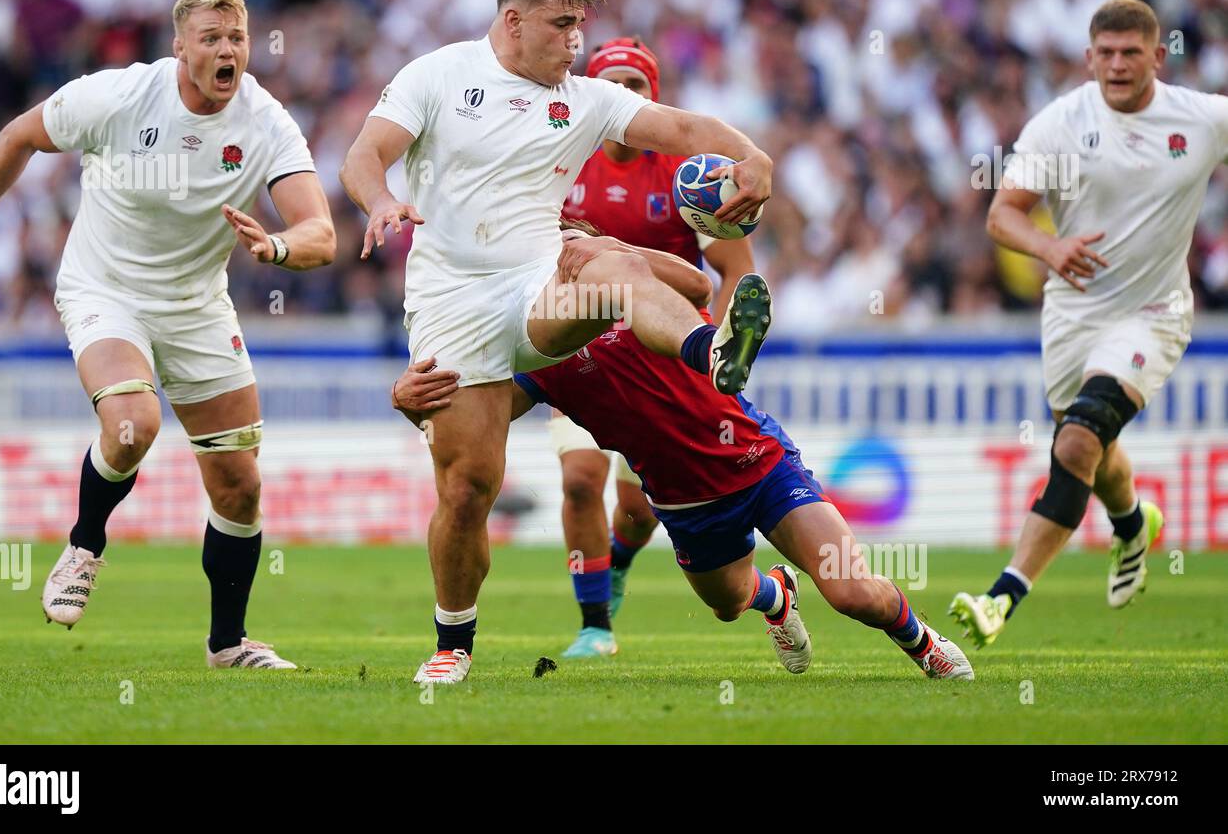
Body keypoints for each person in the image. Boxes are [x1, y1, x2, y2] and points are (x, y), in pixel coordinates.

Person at [339, 0, 774, 684]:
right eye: (561, 25)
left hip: (538, 284)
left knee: (611, 262)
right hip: (450, 305)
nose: (575, 41)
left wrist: (754, 159)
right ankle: (453, 643)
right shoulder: (439, 75)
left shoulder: (584, 99)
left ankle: (710, 352)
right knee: (468, 486)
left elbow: (683, 129)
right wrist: (380, 201)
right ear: (512, 21)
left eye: (580, 25)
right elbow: (364, 155)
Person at [0, 0, 336, 669]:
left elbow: (321, 234)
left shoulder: (266, 123)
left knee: (239, 482)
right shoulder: (120, 96)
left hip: (196, 305)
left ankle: (228, 645)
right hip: (106, 288)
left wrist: (275, 246)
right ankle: (86, 542)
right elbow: (20, 135)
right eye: (210, 38)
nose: (226, 50)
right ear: (179, 48)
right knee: (134, 424)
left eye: (236, 38)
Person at [392, 223, 973, 681]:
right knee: (728, 602)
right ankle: (775, 596)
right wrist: (409, 399)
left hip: (759, 462)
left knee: (849, 590)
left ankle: (925, 644)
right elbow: (477, 418)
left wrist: (611, 246)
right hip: (686, 503)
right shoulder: (535, 354)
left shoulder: (632, 288)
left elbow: (700, 287)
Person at [950, 0, 1228, 648]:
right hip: (1073, 315)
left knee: (1076, 442)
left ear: (1157, 57)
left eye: (1132, 52)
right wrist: (1050, 248)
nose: (1117, 64)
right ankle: (1133, 525)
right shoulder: (1059, 124)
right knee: (1091, 451)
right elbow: (1002, 215)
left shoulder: (1202, 119)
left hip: (1152, 314)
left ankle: (1000, 599)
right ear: (1088, 57)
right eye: (1105, 53)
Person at [552, 37, 756, 658]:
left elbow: (734, 270)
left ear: (653, 96)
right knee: (582, 480)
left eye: (636, 86)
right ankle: (594, 626)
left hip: (667, 351)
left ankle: (616, 562)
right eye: (612, 83)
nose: (624, 95)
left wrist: (721, 352)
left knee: (639, 509)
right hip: (582, 344)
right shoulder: (563, 160)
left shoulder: (688, 175)